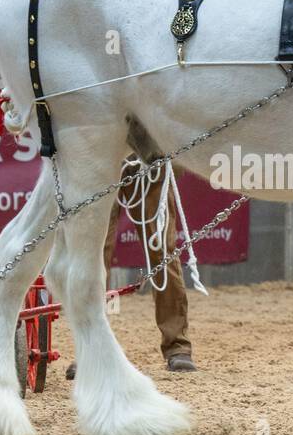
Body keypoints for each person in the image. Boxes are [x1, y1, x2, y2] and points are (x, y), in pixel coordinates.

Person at [66, 158, 197, 377]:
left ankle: (178, 346)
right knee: (93, 256)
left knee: (162, 251)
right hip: (101, 157)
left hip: (148, 157)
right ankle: (90, 350)